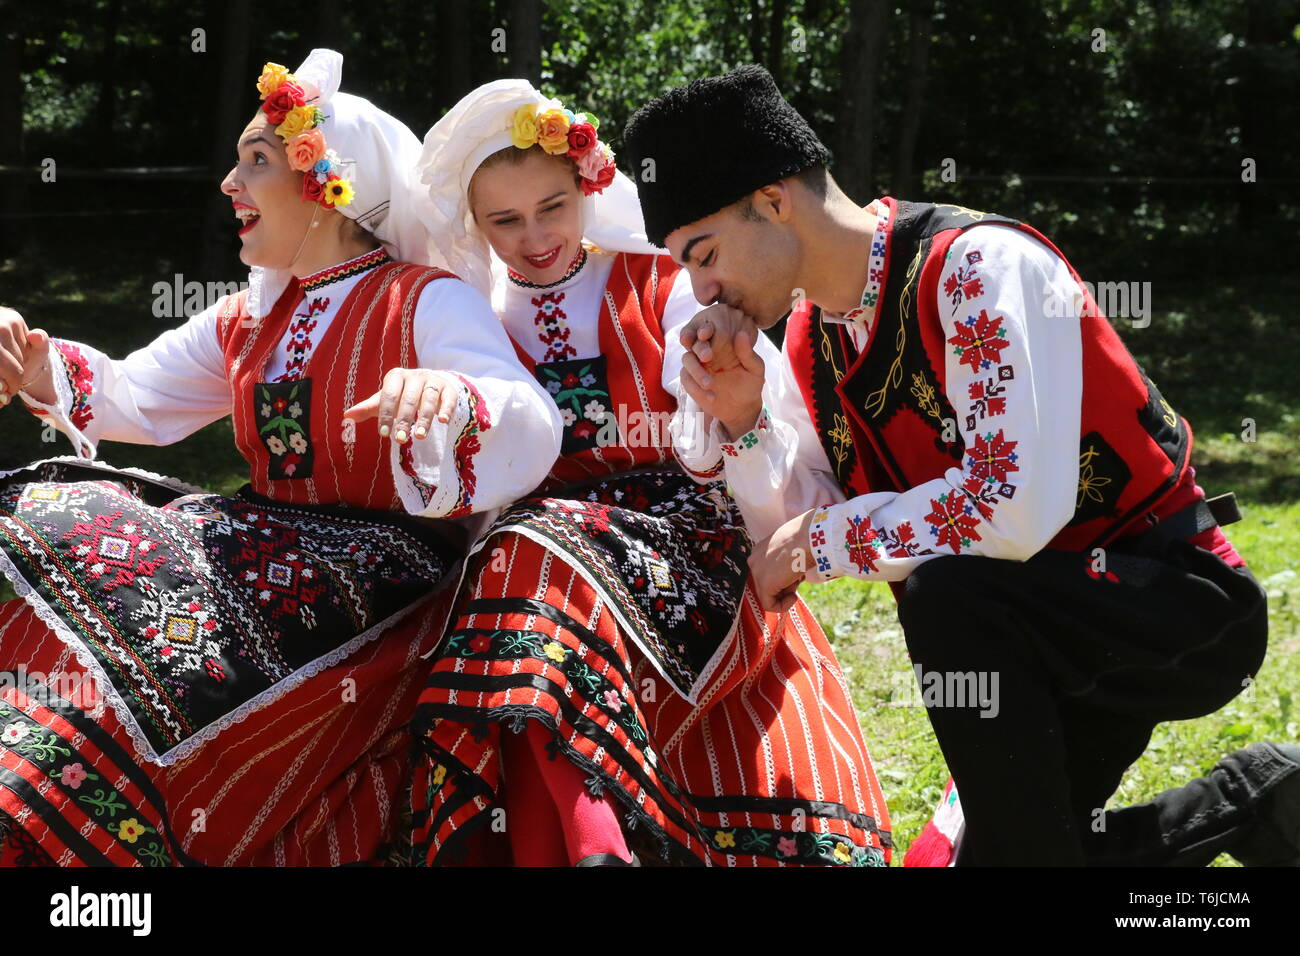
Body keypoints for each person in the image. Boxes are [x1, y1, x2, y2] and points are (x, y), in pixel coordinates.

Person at [620, 65, 1296, 866]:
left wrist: (819, 541)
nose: (701, 289)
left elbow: (1008, 507)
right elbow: (795, 523)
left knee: (948, 588)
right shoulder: (807, 340)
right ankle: (1258, 799)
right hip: (1030, 635)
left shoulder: (975, 269)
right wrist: (742, 422)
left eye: (703, 254)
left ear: (773, 199)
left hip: (1169, 607)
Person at [0, 49, 560, 866]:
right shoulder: (249, 317)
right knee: (39, 514)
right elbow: (131, 397)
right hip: (263, 549)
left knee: (120, 579)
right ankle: (41, 745)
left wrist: (455, 400)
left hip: (382, 578)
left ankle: (86, 797)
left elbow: (530, 421)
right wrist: (29, 363)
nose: (230, 185)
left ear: (324, 184)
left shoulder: (424, 298)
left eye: (254, 162)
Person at [405, 79, 892, 867]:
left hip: (681, 541)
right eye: (505, 219)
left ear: (588, 190)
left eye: (553, 207)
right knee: (525, 559)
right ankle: (587, 847)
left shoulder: (659, 284)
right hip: (535, 561)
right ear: (475, 223)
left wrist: (707, 373)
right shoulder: (468, 314)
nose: (534, 237)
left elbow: (716, 431)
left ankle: (587, 845)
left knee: (528, 556)